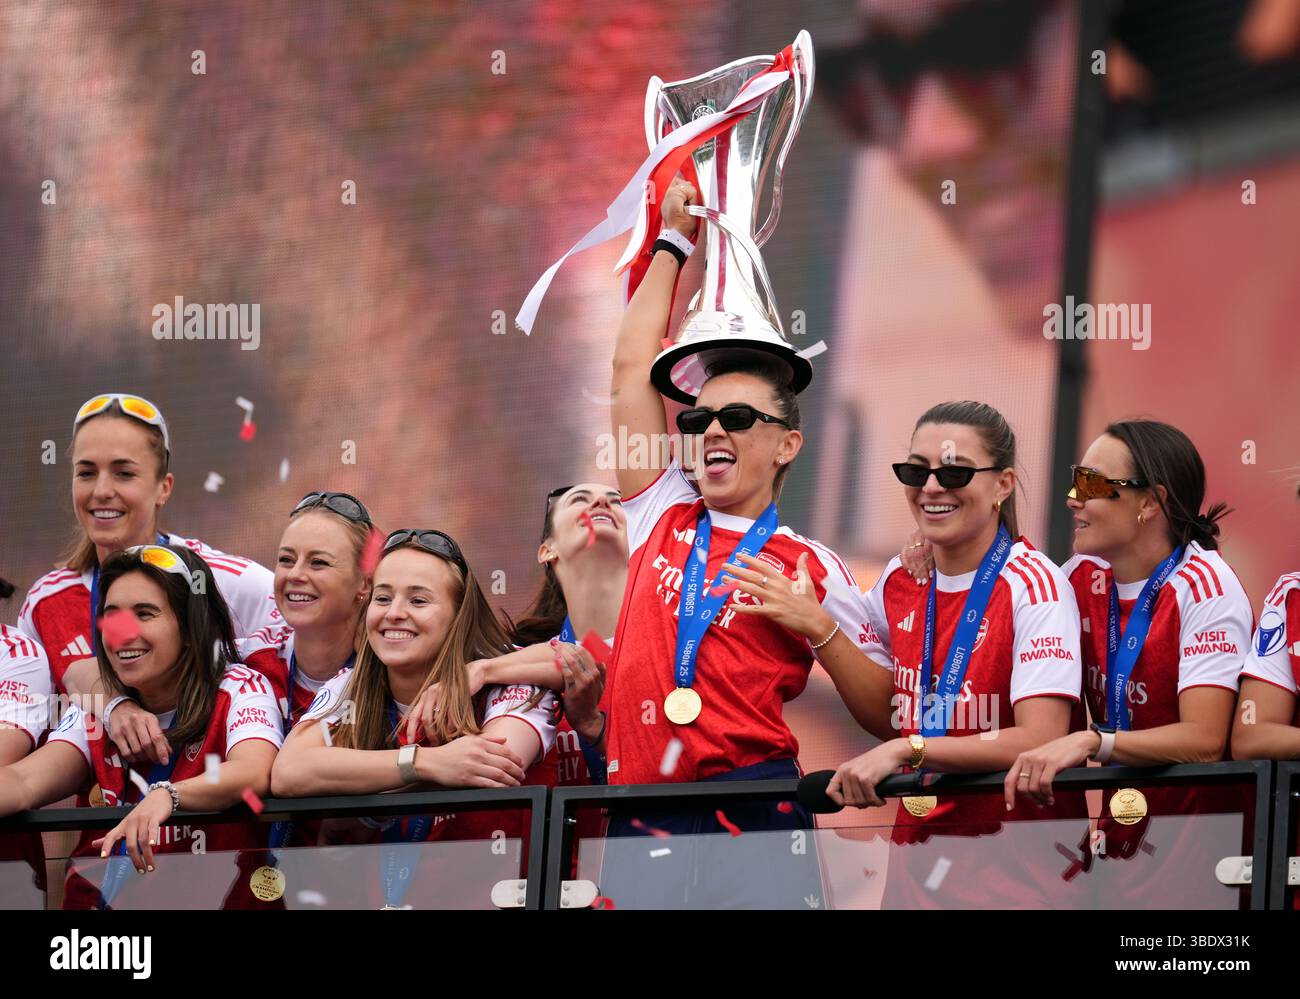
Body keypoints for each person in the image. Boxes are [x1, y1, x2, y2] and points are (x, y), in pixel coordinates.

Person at [599, 177, 879, 908]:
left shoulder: (810, 564)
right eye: (698, 420)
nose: (712, 430)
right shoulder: (660, 509)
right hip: (638, 807)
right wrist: (671, 242)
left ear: (788, 444)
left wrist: (817, 627)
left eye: (738, 419)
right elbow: (632, 369)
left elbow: (885, 710)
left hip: (753, 812)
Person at [826, 401, 1085, 908]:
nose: (931, 486)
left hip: (1015, 883)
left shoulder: (1035, 584)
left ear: (1003, 484)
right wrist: (816, 626)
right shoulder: (899, 581)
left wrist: (908, 749)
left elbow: (1041, 738)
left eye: (954, 471)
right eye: (916, 471)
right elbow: (885, 710)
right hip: (911, 882)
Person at [1006, 419, 1252, 908]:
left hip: (1204, 857)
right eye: (1075, 478)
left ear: (1150, 502)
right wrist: (933, 552)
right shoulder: (1079, 575)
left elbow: (1205, 741)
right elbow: (1001, 592)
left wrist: (1095, 741)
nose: (1073, 497)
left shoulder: (1206, 588)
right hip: (1118, 850)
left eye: (1093, 483)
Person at [270, 529, 557, 908]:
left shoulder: (508, 674)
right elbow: (289, 772)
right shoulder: (352, 684)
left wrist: (353, 783)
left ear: (459, 616)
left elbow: (492, 764)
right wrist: (424, 762)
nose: (394, 613)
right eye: (383, 598)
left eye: (419, 600)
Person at [0, 545, 283, 909]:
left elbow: (253, 770)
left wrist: (167, 795)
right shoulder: (98, 709)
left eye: (145, 614)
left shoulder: (238, 687)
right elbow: (23, 783)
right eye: (111, 615)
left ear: (188, 626)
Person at [18, 394, 279, 764]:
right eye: (86, 472)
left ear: (163, 488)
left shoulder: (224, 579)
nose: (102, 490)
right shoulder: (46, 602)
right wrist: (113, 706)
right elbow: (28, 733)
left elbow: (310, 669)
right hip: (102, 819)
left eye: (124, 473)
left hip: (206, 807)